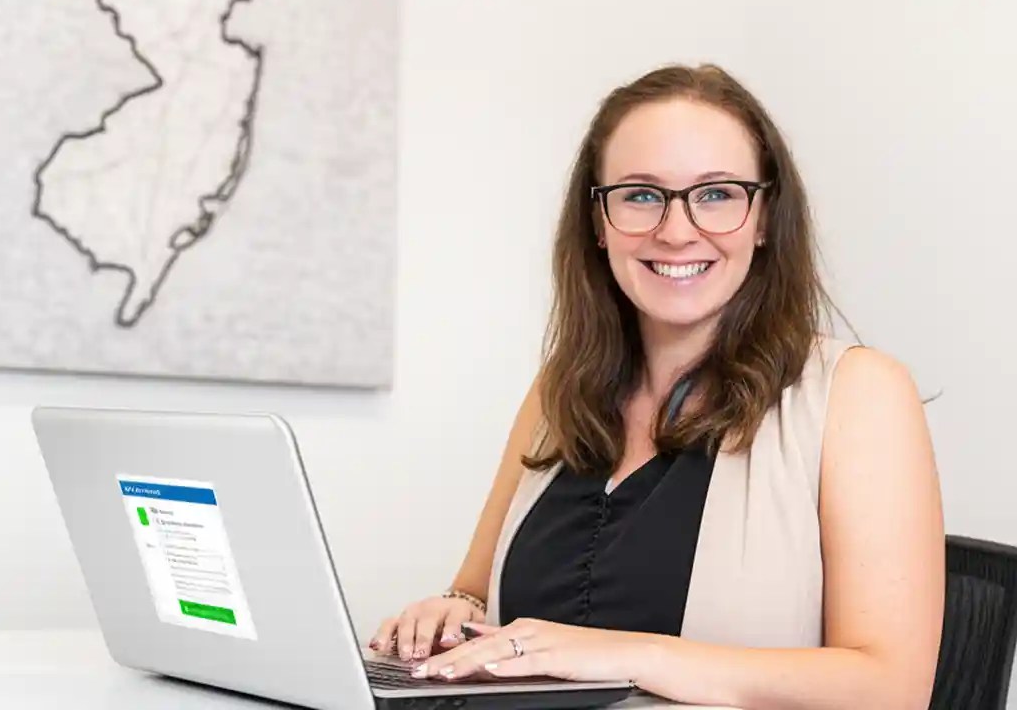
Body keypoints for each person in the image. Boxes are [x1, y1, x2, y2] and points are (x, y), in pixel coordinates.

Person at [369, 64, 943, 709]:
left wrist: (630, 655)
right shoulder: (560, 390)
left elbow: (891, 689)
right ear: (598, 221)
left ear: (763, 218)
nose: (676, 230)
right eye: (641, 195)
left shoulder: (859, 393)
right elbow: (474, 590)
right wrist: (450, 613)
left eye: (717, 193)